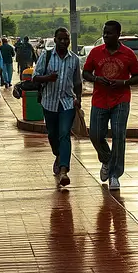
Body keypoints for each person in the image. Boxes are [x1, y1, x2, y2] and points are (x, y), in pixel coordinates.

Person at [82, 20, 138, 190]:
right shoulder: (96, 52)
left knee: (118, 135)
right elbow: (86, 72)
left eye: (109, 33)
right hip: (100, 100)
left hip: (121, 99)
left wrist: (124, 82)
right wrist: (96, 78)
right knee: (95, 134)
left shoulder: (128, 54)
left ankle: (115, 175)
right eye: (104, 33)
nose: (105, 36)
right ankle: (106, 159)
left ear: (118, 34)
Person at [32, 27, 82, 187]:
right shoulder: (46, 56)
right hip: (49, 103)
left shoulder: (74, 59)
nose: (63, 42)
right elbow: (35, 77)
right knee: (53, 135)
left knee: (64, 134)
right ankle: (59, 155)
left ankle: (64, 171)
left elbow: (77, 82)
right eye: (60, 39)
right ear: (55, 40)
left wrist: (78, 98)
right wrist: (48, 77)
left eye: (66, 39)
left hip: (67, 103)